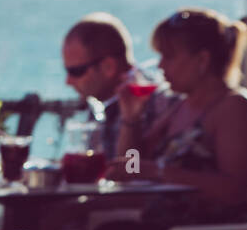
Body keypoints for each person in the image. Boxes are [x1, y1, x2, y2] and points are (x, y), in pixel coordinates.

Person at [99, 7, 247, 230]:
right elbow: (131, 167)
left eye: (169, 56)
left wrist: (159, 171)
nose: (161, 66)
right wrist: (131, 118)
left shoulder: (235, 108)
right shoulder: (181, 107)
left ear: (202, 60)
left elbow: (234, 190)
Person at [62, 13, 174, 158]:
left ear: (108, 67)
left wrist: (130, 122)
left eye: (76, 71)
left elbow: (130, 167)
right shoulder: (99, 99)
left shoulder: (156, 102)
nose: (68, 81)